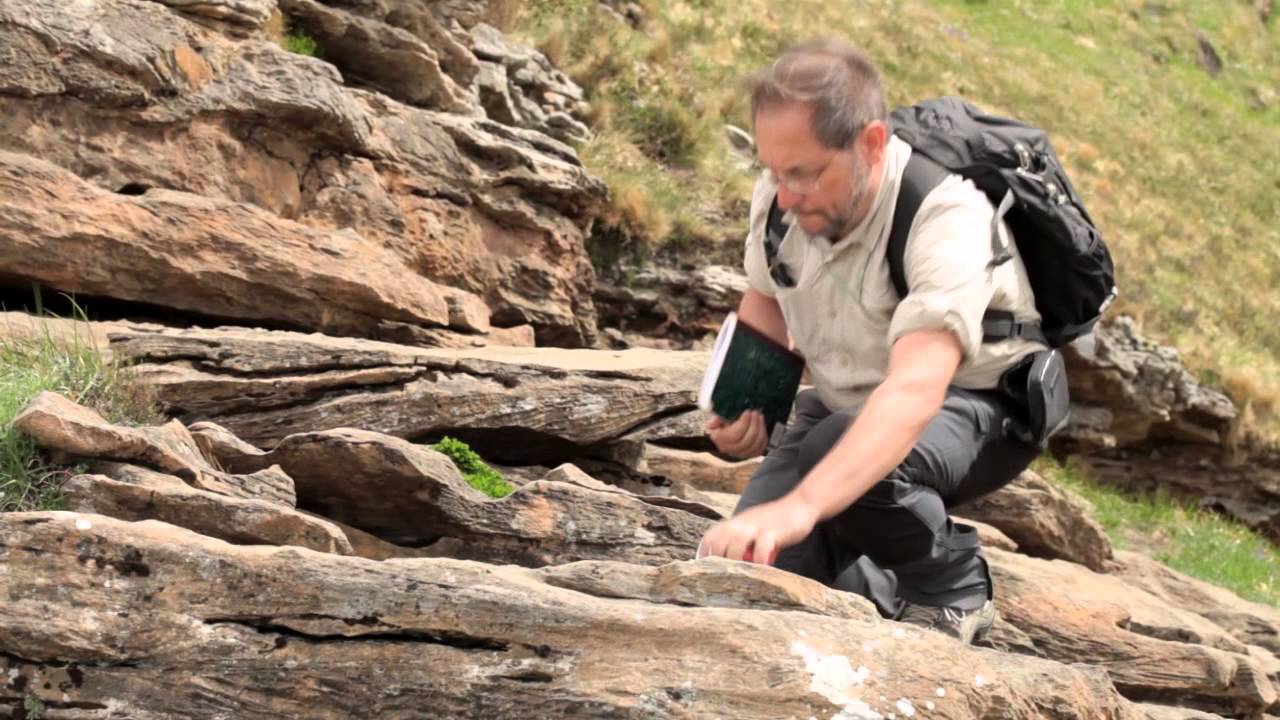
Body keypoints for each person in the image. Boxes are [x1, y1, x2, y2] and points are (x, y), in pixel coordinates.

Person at [697, 38, 1048, 645]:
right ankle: (872, 585)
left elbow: (914, 390)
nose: (784, 194)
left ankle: (952, 581)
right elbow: (766, 299)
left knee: (837, 453)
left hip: (977, 407)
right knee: (749, 570)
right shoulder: (781, 198)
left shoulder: (945, 217)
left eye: (804, 173)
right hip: (846, 403)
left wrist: (803, 505)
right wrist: (742, 404)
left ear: (871, 143)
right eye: (773, 171)